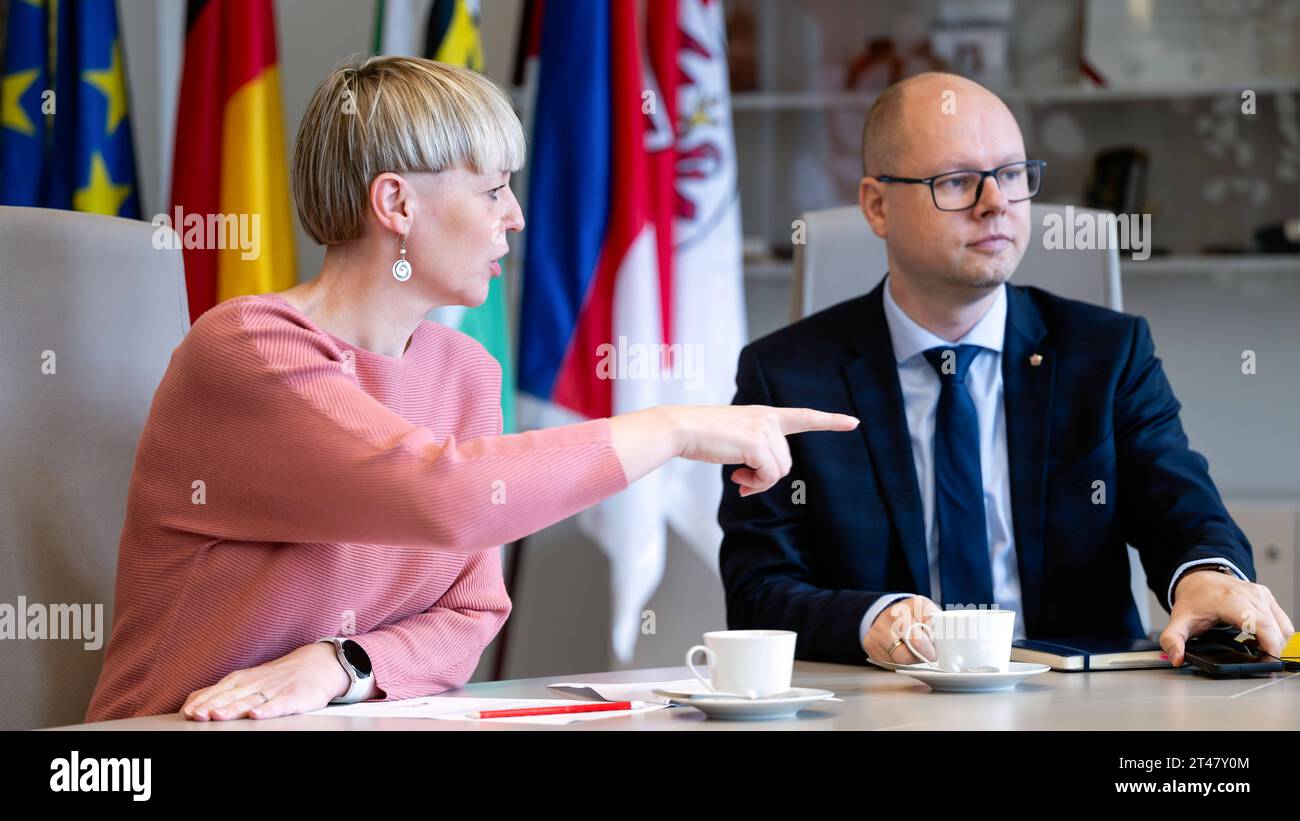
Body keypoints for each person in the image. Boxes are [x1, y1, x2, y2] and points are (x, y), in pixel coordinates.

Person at [84, 55, 857, 723]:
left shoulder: (465, 371)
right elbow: (443, 494)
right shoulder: (249, 347)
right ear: (395, 204)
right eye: (491, 190)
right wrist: (674, 428)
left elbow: (471, 609)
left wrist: (344, 663)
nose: (515, 217)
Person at [717, 71, 1293, 670]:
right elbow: (759, 590)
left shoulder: (1107, 352)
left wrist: (1202, 576)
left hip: (1080, 701)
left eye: (1013, 175)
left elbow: (1184, 510)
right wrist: (871, 618)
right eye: (958, 181)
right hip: (886, 700)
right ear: (878, 205)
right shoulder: (786, 375)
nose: (996, 203)